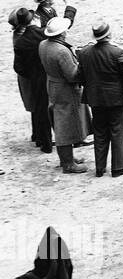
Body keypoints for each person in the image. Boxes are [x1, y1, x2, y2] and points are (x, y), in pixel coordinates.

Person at [77, 22, 123, 178]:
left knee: (100, 132)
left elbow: (80, 77)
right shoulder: (117, 52)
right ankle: (118, 168)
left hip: (96, 99)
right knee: (118, 131)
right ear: (109, 35)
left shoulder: (84, 52)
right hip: (117, 99)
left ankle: (99, 168)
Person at [39, 17, 85, 174]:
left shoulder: (43, 45)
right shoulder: (62, 51)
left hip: (52, 84)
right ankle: (68, 163)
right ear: (60, 34)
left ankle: (67, 157)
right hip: (66, 90)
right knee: (65, 125)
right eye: (65, 31)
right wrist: (81, 64)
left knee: (61, 122)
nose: (66, 33)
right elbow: (72, 75)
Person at [12, 9, 53, 153]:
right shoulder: (43, 33)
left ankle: (44, 142)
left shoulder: (20, 42)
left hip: (35, 79)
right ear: (32, 19)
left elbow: (18, 67)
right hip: (49, 74)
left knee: (40, 110)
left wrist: (31, 75)